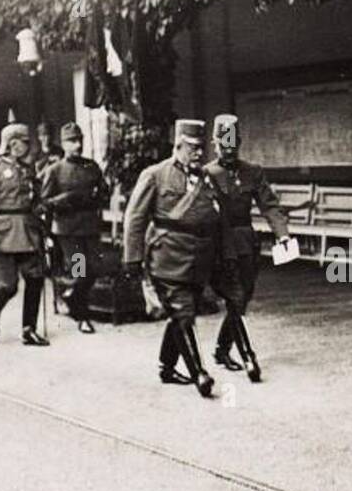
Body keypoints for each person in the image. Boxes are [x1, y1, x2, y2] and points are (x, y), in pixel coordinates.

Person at [122, 118, 232, 398]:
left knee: (181, 312)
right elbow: (135, 218)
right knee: (183, 313)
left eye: (200, 149)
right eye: (192, 148)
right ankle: (200, 374)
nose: (198, 154)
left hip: (198, 259)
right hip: (166, 257)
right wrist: (132, 258)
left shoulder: (206, 178)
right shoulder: (155, 175)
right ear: (178, 145)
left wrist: (222, 256)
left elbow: (218, 219)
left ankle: (167, 367)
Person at [203, 113, 291, 381]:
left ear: (239, 143)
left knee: (243, 298)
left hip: (246, 243)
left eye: (233, 145)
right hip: (221, 243)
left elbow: (269, 205)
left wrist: (283, 235)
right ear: (215, 143)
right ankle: (245, 356)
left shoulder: (252, 171)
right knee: (235, 296)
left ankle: (221, 349)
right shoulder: (207, 173)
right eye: (223, 145)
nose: (228, 151)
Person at [0, 123, 49, 346]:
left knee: (35, 278)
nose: (27, 146)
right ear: (11, 143)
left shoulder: (28, 169)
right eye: (23, 142)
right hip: (3, 233)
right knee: (9, 286)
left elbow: (34, 200)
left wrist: (41, 216)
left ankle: (29, 329)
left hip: (27, 230)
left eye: (27, 142)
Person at [40, 122, 107, 334]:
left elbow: (103, 192)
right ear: (63, 143)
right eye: (72, 141)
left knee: (94, 269)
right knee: (81, 271)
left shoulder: (91, 166)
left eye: (79, 140)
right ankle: (83, 317)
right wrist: (66, 199)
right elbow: (44, 202)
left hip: (90, 228)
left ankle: (71, 297)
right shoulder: (54, 170)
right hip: (69, 231)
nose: (77, 145)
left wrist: (97, 196)